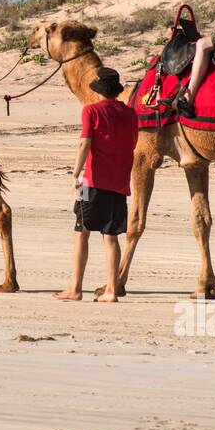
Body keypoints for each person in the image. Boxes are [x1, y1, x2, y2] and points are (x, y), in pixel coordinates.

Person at [54, 68, 138, 303]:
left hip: (91, 180)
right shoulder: (131, 114)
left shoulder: (90, 110)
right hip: (120, 181)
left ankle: (75, 288)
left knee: (81, 231)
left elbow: (85, 144)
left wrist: (75, 174)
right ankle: (111, 290)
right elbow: (132, 144)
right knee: (111, 236)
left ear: (99, 90)